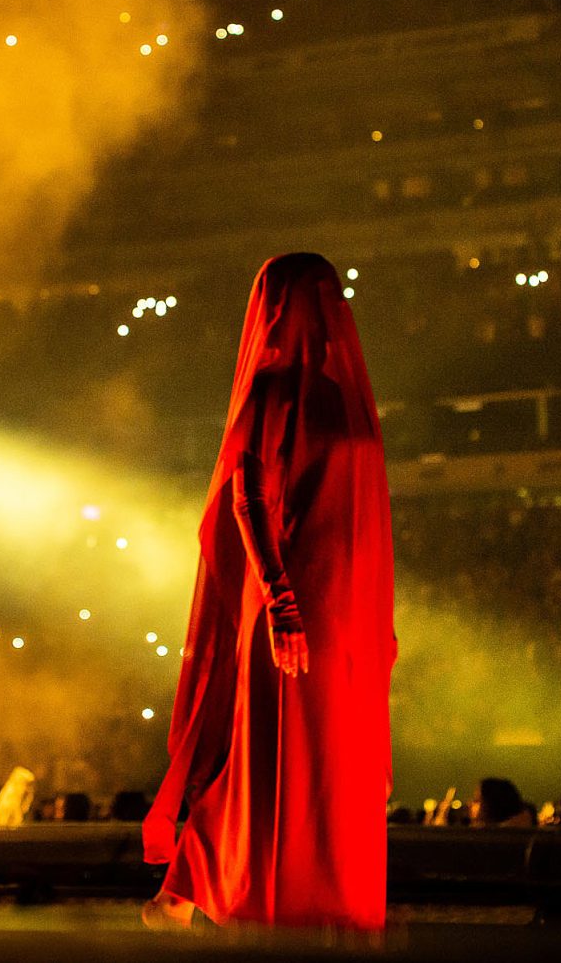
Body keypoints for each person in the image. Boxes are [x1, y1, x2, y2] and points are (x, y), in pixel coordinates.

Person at [143, 254, 395, 931]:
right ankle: (203, 878)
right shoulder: (273, 388)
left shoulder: (347, 397)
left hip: (344, 613)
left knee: (332, 768)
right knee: (276, 760)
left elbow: (366, 517)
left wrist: (380, 623)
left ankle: (323, 902)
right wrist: (281, 598)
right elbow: (245, 494)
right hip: (294, 609)